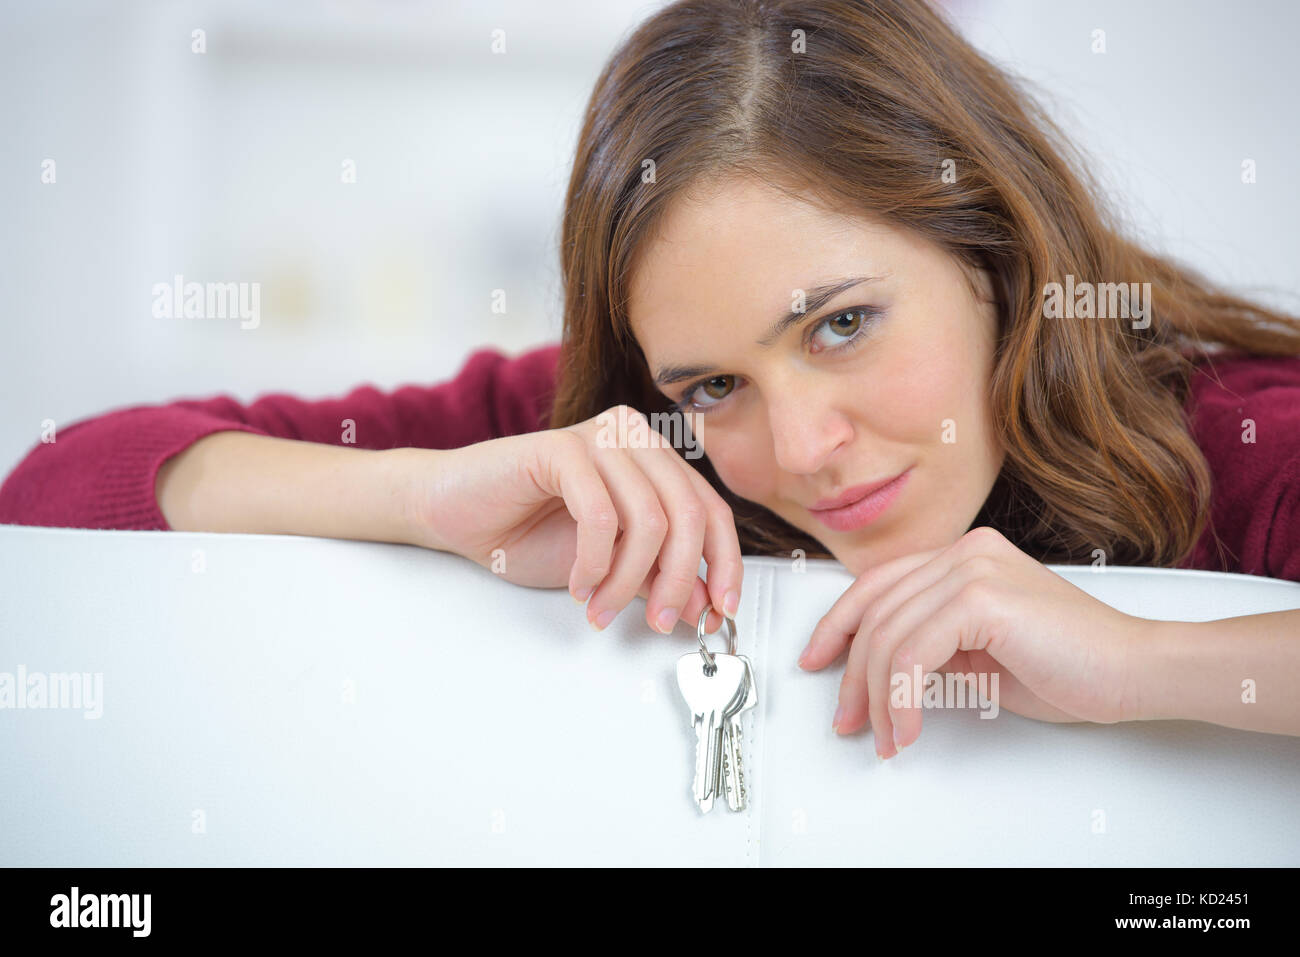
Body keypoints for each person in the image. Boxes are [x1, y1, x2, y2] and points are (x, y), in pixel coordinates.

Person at [3, 0, 1299, 753]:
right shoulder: (633, 436)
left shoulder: (1233, 439)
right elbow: (59, 482)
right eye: (714, 383)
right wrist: (420, 492)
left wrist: (1139, 662)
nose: (799, 449)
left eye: (841, 325)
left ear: (999, 261)